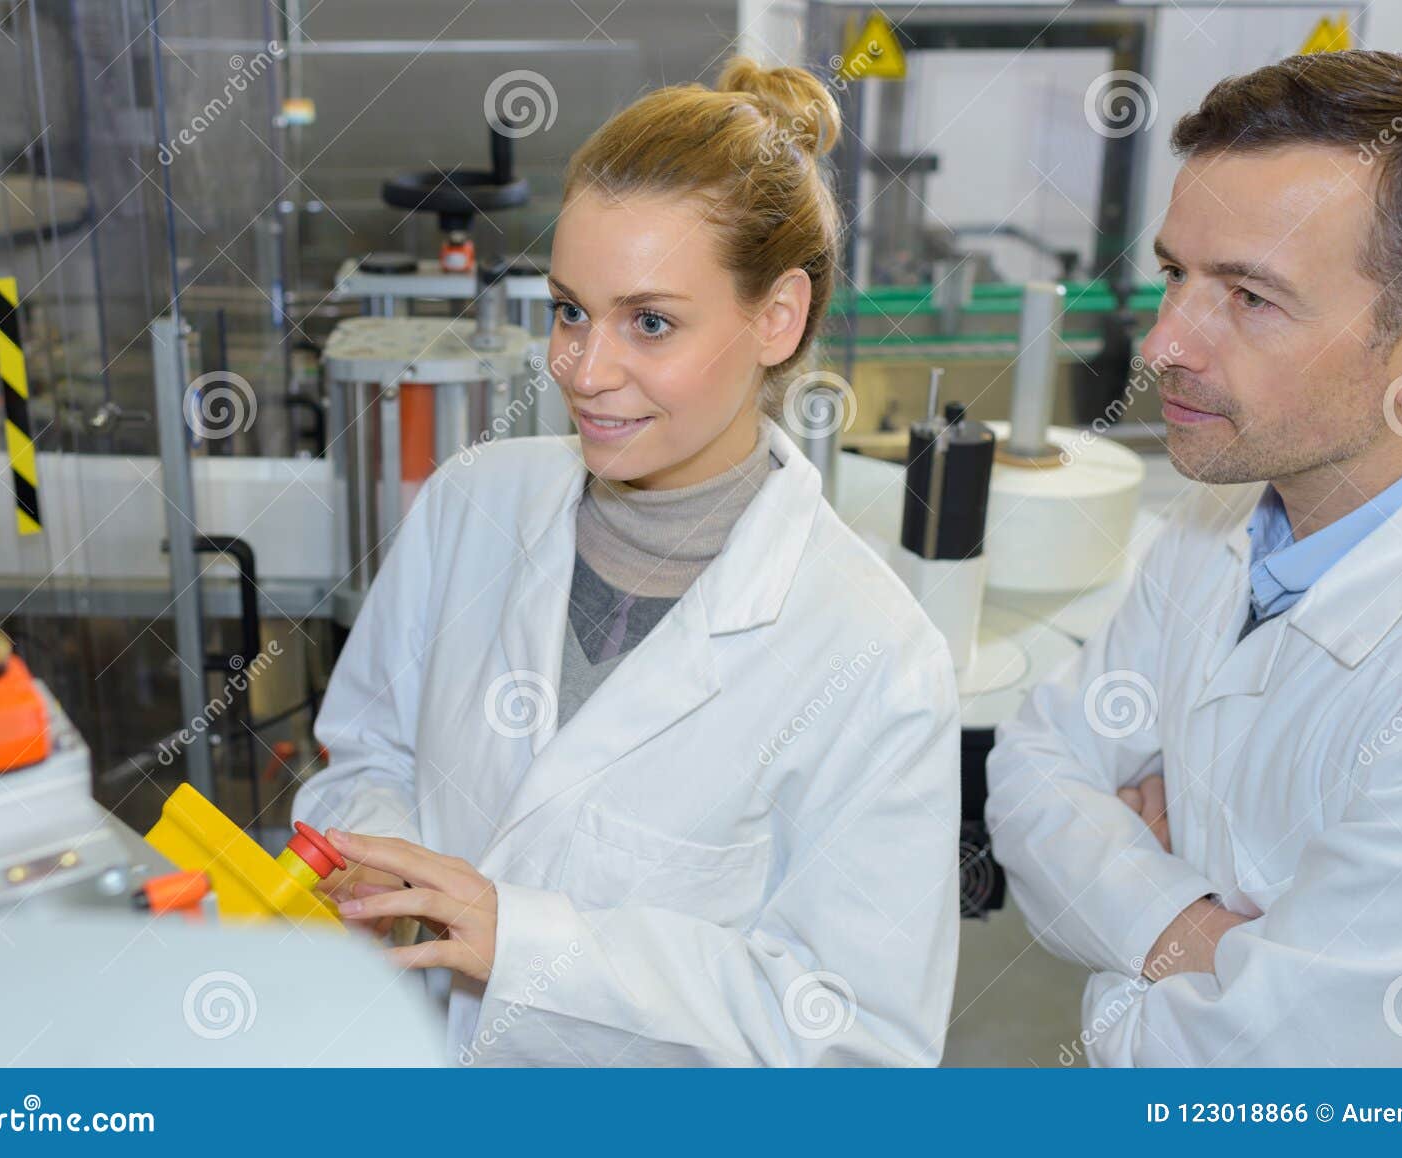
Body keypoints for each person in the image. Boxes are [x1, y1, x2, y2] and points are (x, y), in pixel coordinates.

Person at [293, 57, 961, 1066]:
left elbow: (858, 1038)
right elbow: (370, 753)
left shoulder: (871, 654)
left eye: (649, 322)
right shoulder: (474, 504)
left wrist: (526, 942)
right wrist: (389, 871)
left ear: (776, 316)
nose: (584, 369)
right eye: (569, 309)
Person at [987, 50, 1402, 1065]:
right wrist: (1191, 929)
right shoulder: (1228, 521)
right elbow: (1033, 772)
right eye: (1174, 274)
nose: (1163, 344)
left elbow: (1275, 1073)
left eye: (1249, 298)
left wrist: (1117, 926)